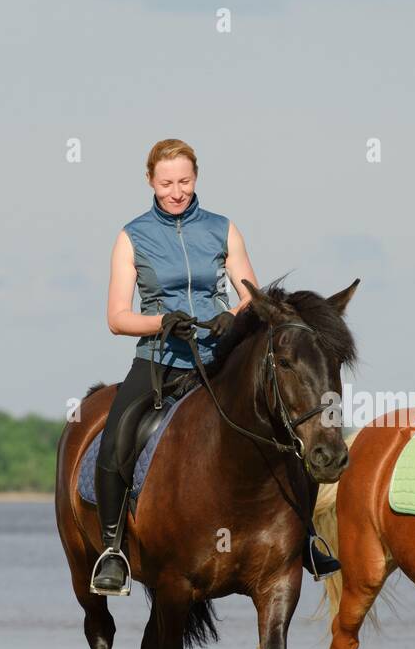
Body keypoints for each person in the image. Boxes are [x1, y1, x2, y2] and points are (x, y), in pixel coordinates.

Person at [91, 138, 339, 595]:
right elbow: (116, 318)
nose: (176, 191)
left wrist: (235, 315)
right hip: (159, 359)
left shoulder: (223, 229)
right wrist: (161, 320)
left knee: (287, 431)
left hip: (221, 356)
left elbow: (252, 294)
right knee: (116, 440)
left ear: (196, 178)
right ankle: (112, 549)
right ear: (150, 181)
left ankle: (305, 537)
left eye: (184, 181)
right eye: (166, 183)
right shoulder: (131, 237)